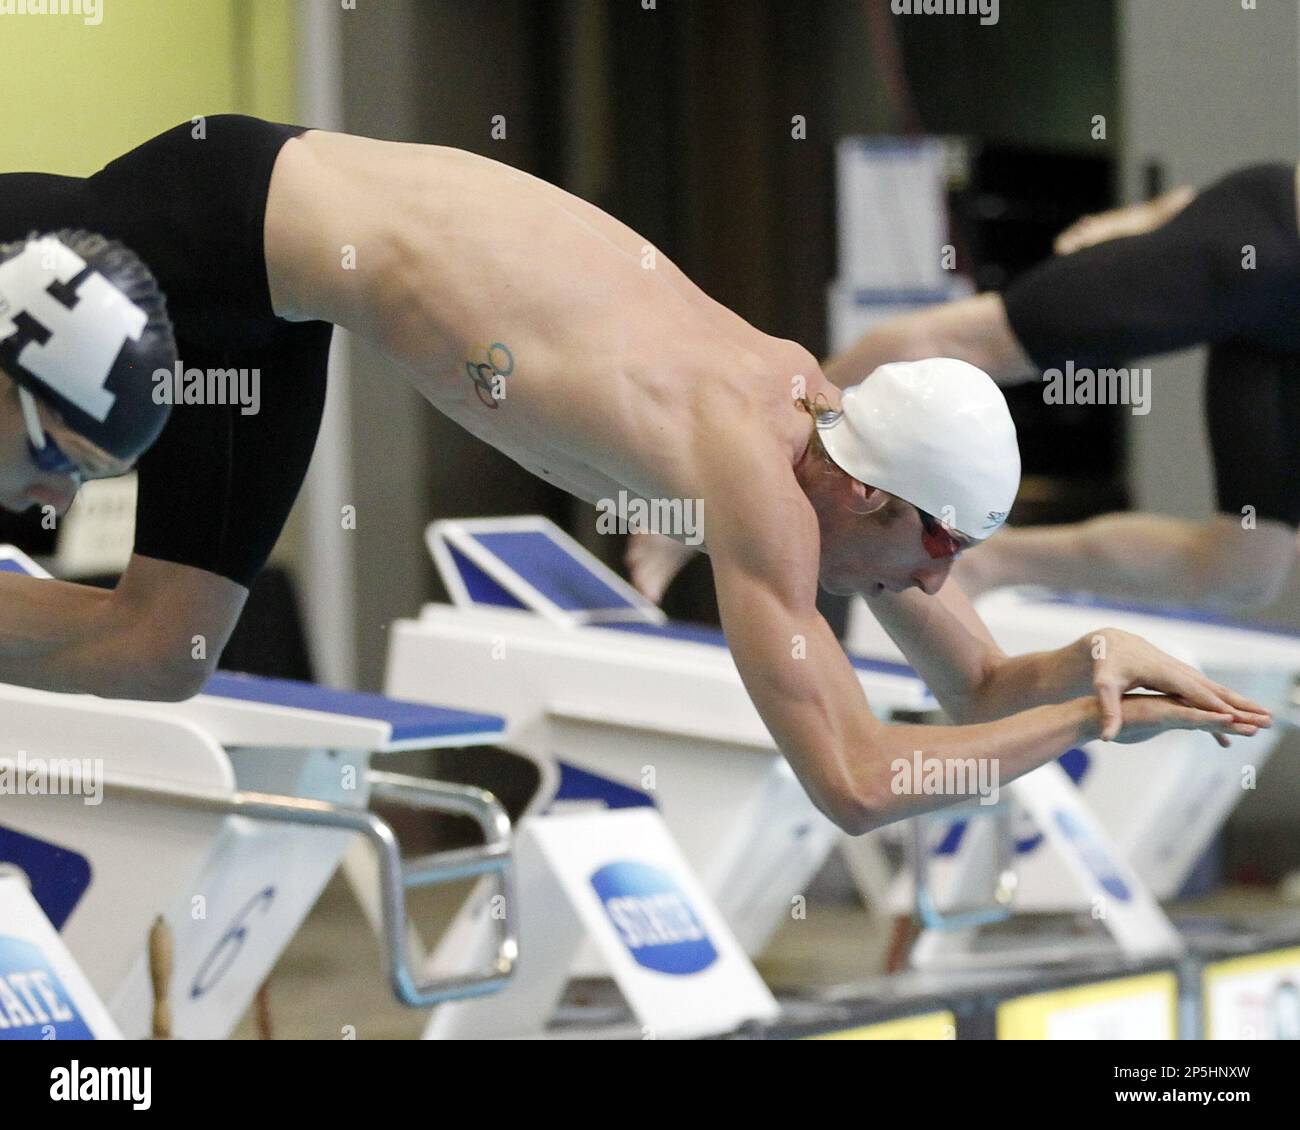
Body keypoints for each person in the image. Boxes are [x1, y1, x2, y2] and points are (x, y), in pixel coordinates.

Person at [0, 116, 1267, 834]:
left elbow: (979, 676)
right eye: (941, 550)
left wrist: (1100, 655)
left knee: (159, 651)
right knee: (30, 446)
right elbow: (859, 780)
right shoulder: (764, 486)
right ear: (878, 500)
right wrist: (1083, 722)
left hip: (278, 305)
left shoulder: (851, 462)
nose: (946, 577)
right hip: (211, 214)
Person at [820, 162, 1300, 612]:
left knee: (1246, 568)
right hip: (1271, 242)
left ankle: (992, 563)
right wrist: (1167, 214)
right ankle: (789, 422)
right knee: (973, 340)